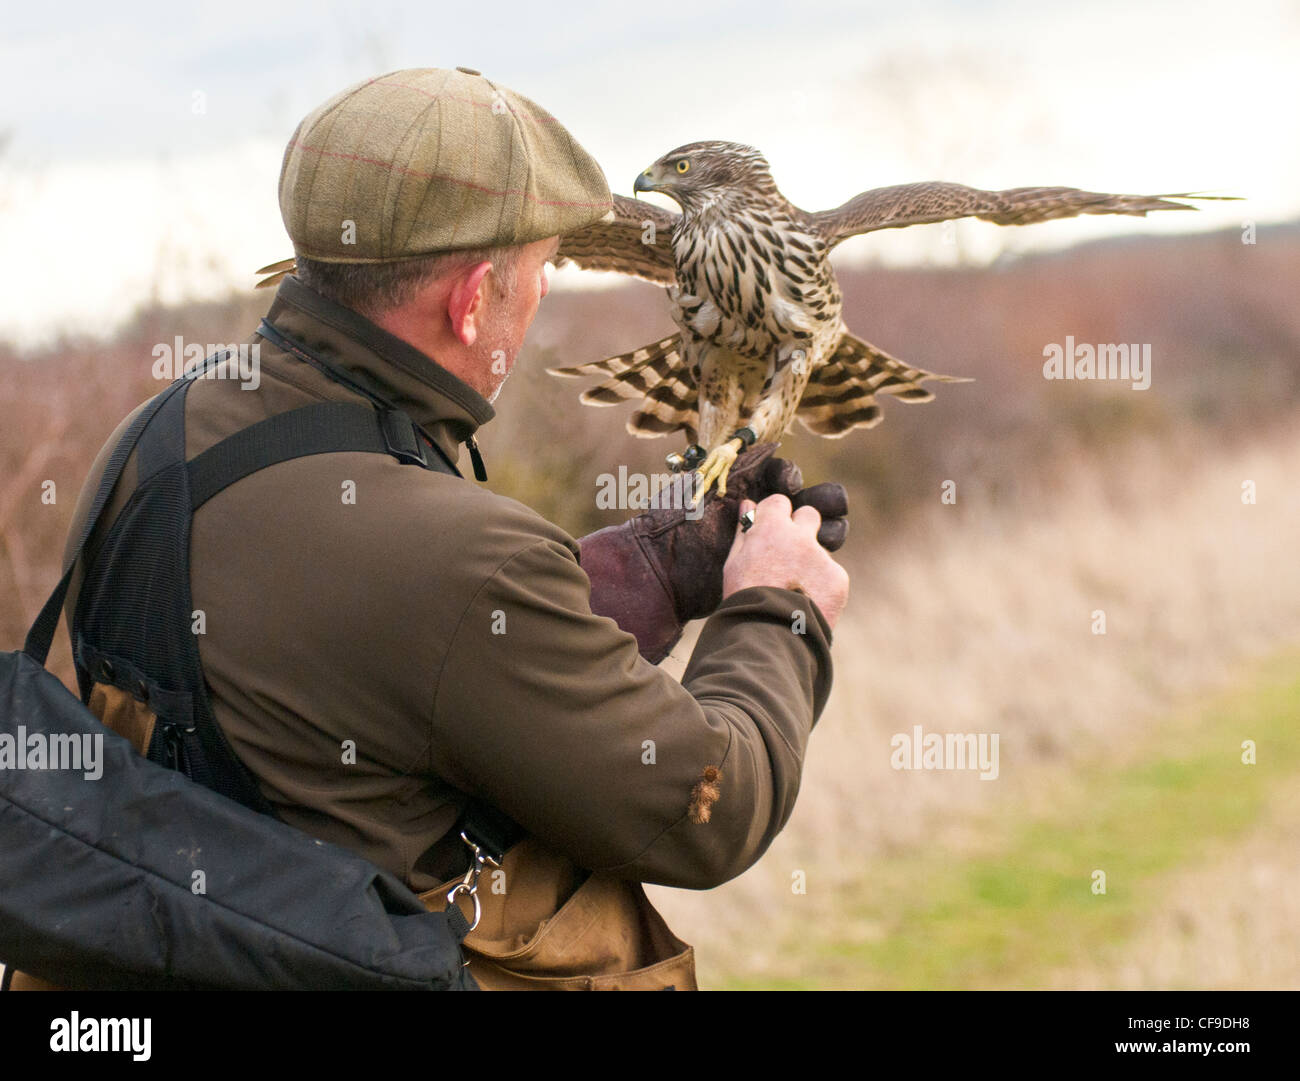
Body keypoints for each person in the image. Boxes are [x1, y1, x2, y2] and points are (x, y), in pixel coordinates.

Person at [57, 66, 850, 990]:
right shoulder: (462, 559)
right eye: (540, 271)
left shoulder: (150, 445)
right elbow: (710, 804)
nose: (546, 292)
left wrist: (652, 571)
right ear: (473, 299)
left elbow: (373, 650)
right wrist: (775, 607)